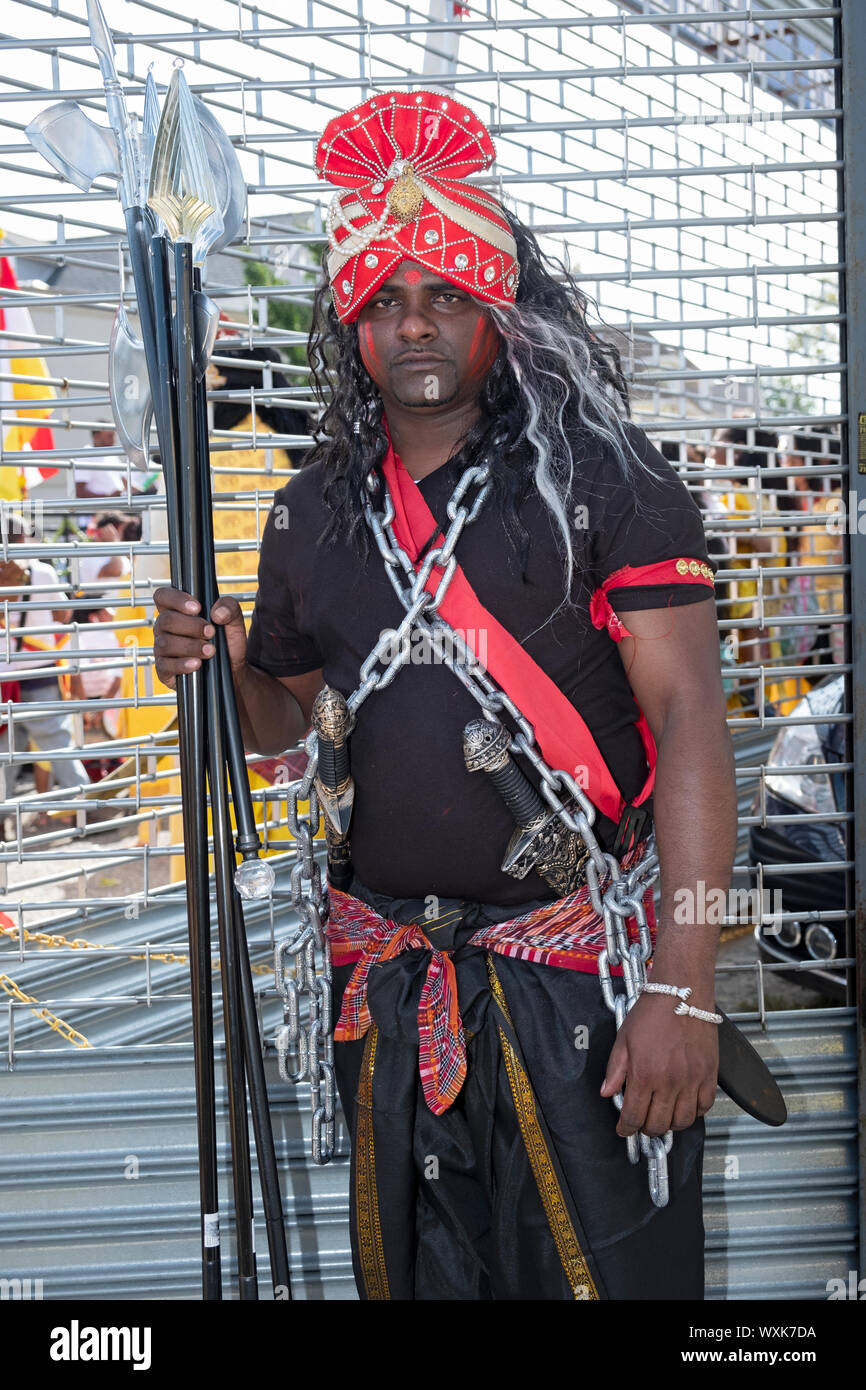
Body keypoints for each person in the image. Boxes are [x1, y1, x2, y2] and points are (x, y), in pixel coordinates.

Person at [153, 91, 736, 1301]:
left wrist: (683, 985)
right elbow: (283, 728)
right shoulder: (309, 509)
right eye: (384, 302)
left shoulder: (608, 481)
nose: (415, 326)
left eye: (447, 297)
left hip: (587, 988)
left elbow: (687, 724)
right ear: (350, 323)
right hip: (388, 998)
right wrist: (214, 668)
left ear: (499, 313)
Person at [0, 510, 89, 823]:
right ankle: (82, 810)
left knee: (4, 757)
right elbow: (63, 616)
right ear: (22, 538)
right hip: (38, 672)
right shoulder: (41, 573)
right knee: (58, 746)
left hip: (3, 679)